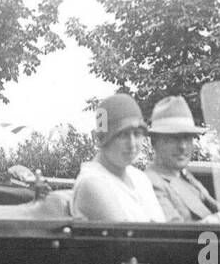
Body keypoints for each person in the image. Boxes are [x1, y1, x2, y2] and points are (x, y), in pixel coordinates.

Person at [71, 94, 166, 222]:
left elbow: (161, 228)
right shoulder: (92, 183)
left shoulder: (139, 178)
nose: (132, 144)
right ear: (101, 139)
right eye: (123, 135)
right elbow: (131, 239)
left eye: (137, 134)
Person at [143, 96, 220, 222]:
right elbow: (177, 234)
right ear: (154, 143)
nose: (183, 146)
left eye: (187, 138)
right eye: (173, 139)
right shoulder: (151, 184)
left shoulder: (185, 176)